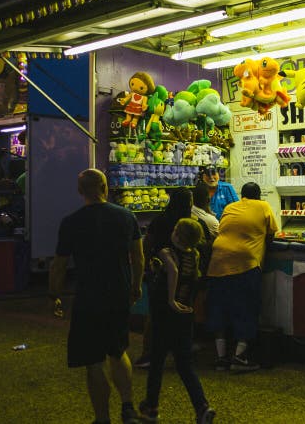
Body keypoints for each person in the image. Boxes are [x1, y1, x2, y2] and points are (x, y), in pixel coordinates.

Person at [50, 169, 144, 424]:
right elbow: (137, 257)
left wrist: (55, 295)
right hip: (119, 292)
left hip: (89, 295)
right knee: (118, 349)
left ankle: (102, 418)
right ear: (106, 187)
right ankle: (128, 408)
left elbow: (59, 264)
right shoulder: (126, 217)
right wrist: (136, 286)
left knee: (93, 360)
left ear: (80, 191)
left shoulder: (71, 222)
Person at [139, 218, 216, 423]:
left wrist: (171, 300)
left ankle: (151, 408)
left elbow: (173, 271)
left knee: (156, 362)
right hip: (184, 317)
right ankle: (202, 406)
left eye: (175, 229)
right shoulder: (195, 255)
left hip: (165, 315)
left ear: (178, 235)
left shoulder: (167, 253)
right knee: (185, 365)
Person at [205, 182, 278, 372]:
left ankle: (221, 358)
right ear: (259, 195)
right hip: (245, 263)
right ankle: (239, 357)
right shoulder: (263, 206)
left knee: (218, 308)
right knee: (246, 308)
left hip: (218, 261)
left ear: (242, 195)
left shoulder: (230, 207)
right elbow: (271, 234)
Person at [134, 187, 194, 369]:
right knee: (182, 311)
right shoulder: (190, 222)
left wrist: (143, 267)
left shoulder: (160, 220)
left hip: (159, 272)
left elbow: (147, 243)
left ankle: (149, 353)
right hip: (184, 274)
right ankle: (181, 351)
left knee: (156, 314)